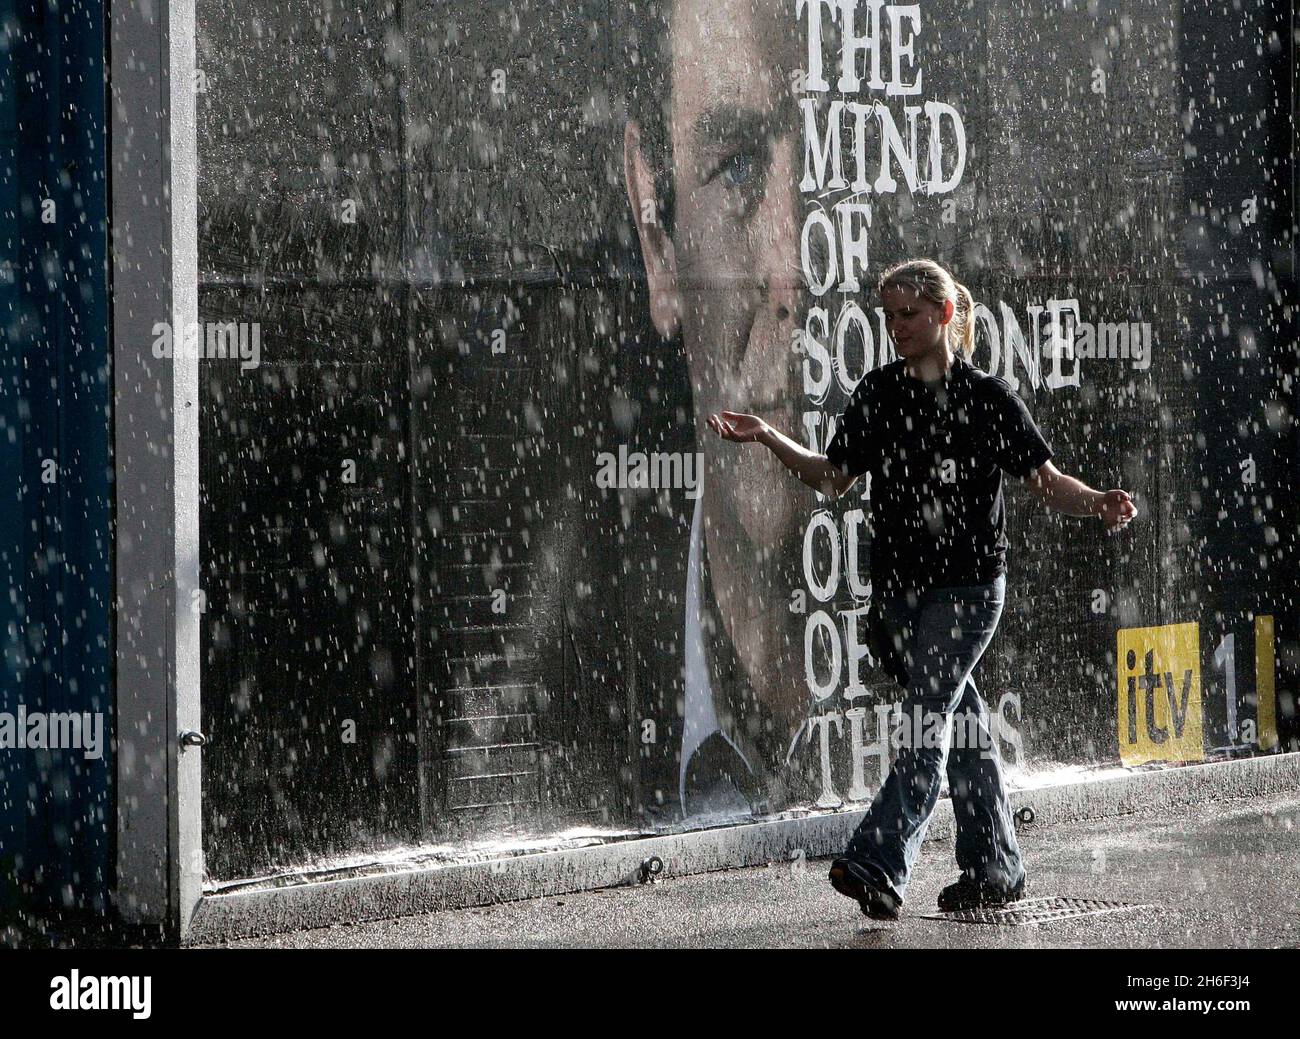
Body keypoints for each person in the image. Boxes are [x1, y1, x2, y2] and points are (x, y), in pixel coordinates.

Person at [706, 258, 1138, 918]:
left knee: (925, 726)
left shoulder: (987, 398)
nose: (896, 326)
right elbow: (832, 477)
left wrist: (1098, 502)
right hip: (901, 599)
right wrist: (767, 436)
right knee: (958, 724)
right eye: (888, 315)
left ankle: (880, 862)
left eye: (907, 313)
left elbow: (1046, 481)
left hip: (967, 593)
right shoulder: (880, 394)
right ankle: (993, 866)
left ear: (943, 315)